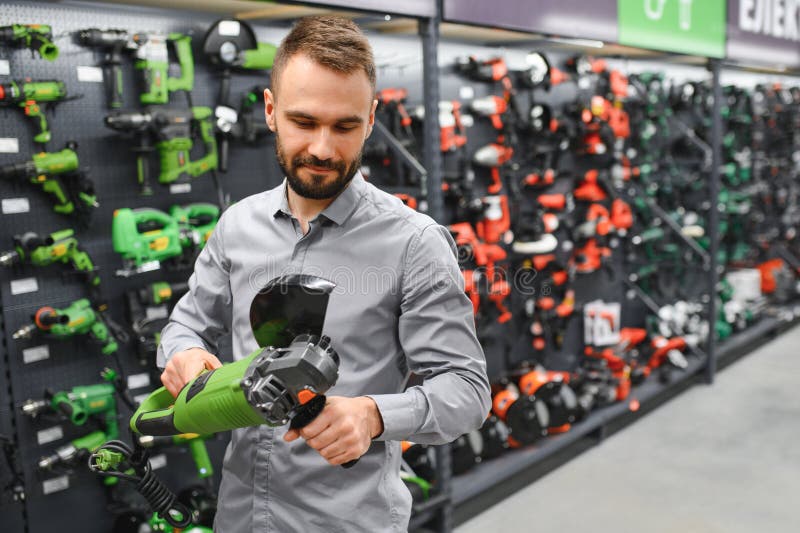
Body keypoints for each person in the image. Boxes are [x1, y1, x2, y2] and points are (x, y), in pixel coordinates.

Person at [157, 14, 491, 532]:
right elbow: (185, 325)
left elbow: (467, 391)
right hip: (240, 516)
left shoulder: (414, 243)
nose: (322, 149)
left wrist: (374, 416)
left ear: (371, 119)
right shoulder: (236, 226)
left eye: (344, 126)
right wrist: (182, 353)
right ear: (270, 110)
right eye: (304, 122)